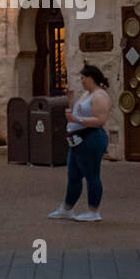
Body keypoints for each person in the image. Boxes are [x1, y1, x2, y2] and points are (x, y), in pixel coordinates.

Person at [49, 63, 112, 222]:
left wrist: (78, 120)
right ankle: (67, 208)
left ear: (91, 78)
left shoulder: (100, 96)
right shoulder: (86, 94)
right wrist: (71, 105)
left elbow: (100, 120)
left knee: (92, 175)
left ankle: (93, 210)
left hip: (91, 138)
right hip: (77, 141)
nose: (81, 81)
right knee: (73, 175)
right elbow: (78, 111)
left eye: (83, 78)